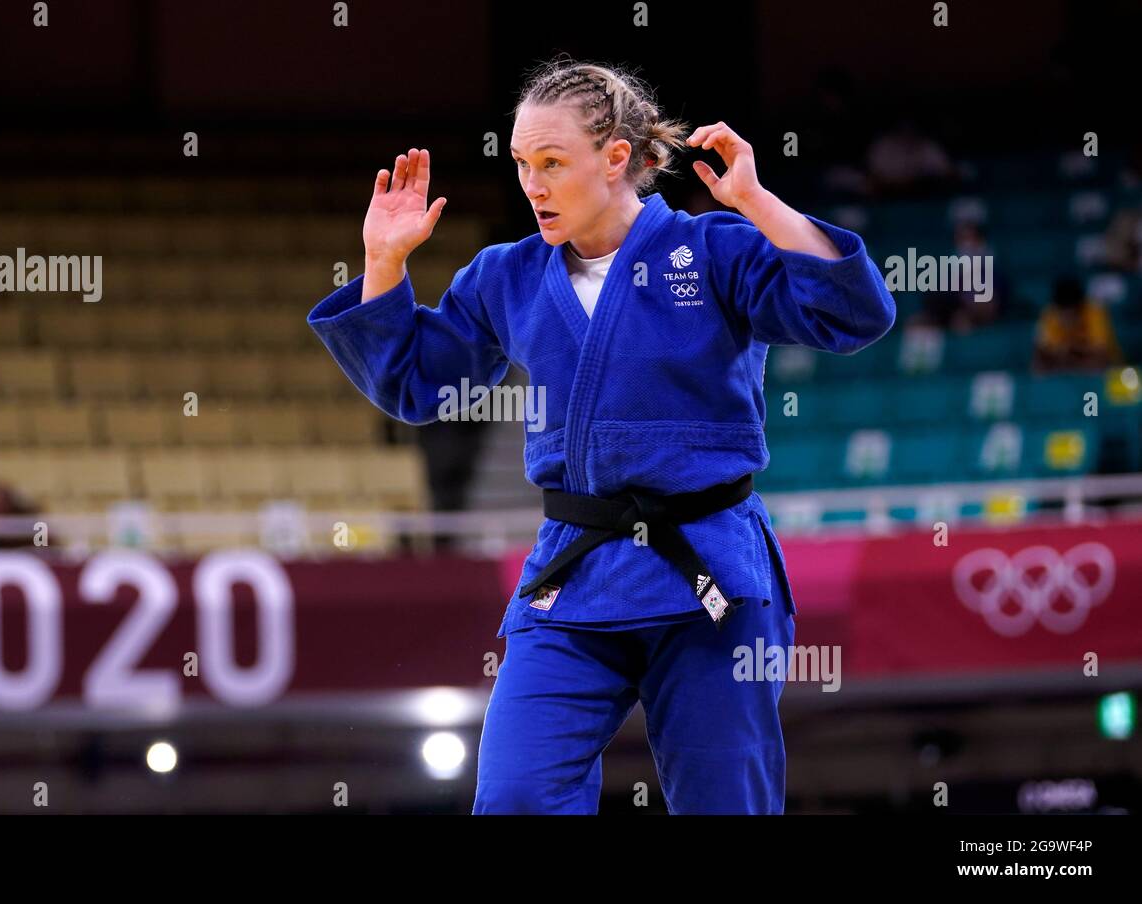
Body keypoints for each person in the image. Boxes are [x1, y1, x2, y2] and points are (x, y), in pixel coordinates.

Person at [307, 59, 895, 814]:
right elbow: (417, 384)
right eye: (522, 164)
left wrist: (754, 200)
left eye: (552, 163)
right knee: (516, 795)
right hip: (575, 579)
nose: (533, 185)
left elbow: (854, 316)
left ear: (617, 158)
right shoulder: (507, 276)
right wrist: (384, 264)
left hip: (708, 574)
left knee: (726, 802)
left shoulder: (711, 251)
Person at [1034, 276, 1123, 372]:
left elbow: (1102, 353)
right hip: (1066, 364)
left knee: (1096, 364)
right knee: (1039, 365)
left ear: (1080, 307)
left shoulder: (1095, 312)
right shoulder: (1050, 314)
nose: (1067, 319)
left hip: (1105, 367)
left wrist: (1072, 352)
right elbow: (1043, 351)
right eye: (1063, 314)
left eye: (1071, 313)